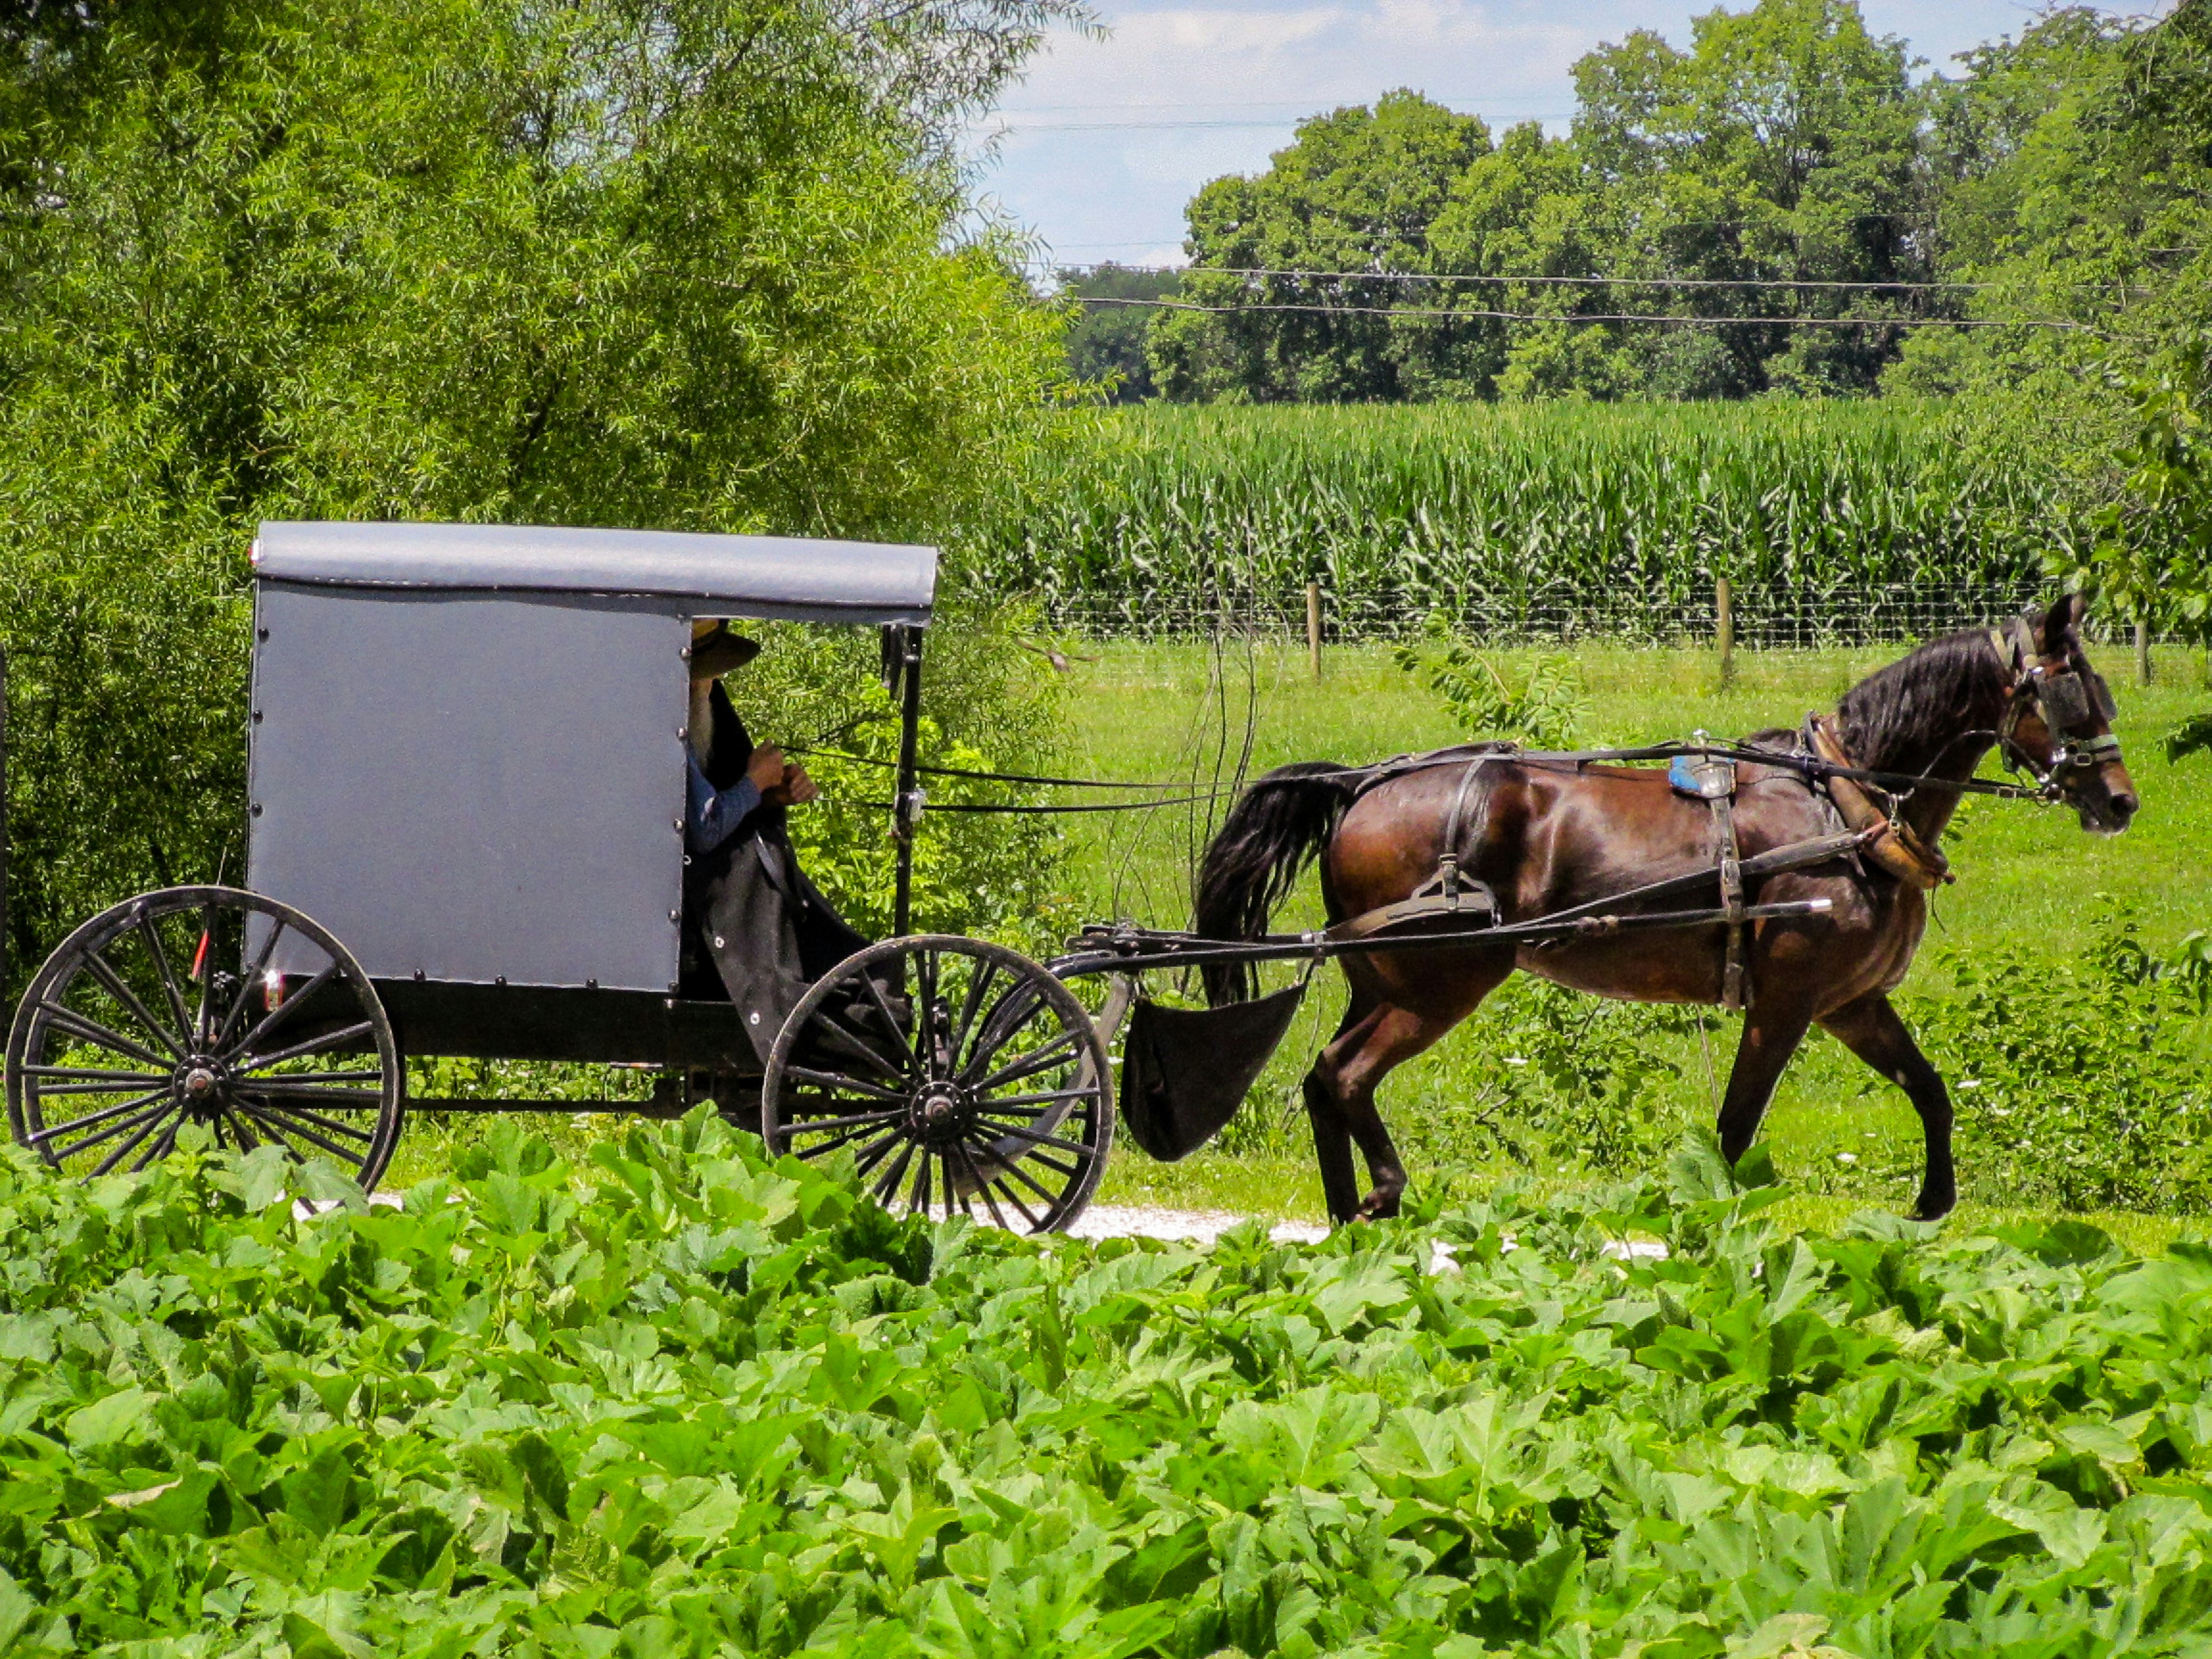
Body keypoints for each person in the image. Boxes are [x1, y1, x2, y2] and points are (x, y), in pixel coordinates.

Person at [681, 621, 868, 1062]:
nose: (715, 681)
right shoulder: (669, 722)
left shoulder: (708, 708)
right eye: (707, 672)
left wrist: (771, 793)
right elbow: (704, 827)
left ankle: (846, 986)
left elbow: (726, 794)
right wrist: (755, 781)